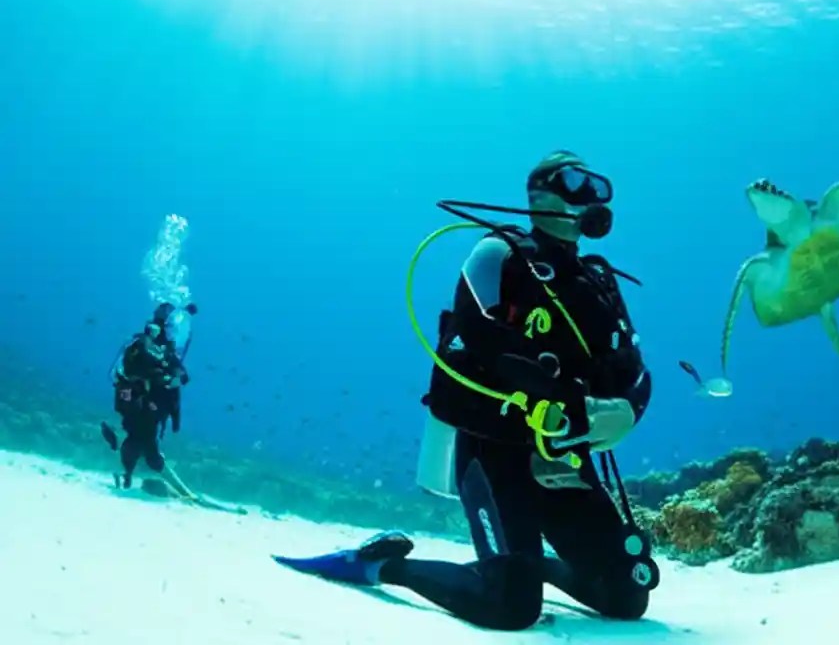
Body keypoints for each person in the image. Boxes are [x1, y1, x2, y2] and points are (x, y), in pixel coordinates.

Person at [273, 151, 657, 631]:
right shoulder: (498, 254)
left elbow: (634, 367)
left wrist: (628, 409)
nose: (591, 197)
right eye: (575, 181)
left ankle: (526, 565)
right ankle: (382, 564)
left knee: (625, 596)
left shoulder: (596, 281)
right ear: (539, 196)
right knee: (510, 606)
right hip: (494, 448)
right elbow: (484, 340)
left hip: (561, 457)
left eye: (596, 186)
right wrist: (570, 402)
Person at [101, 302, 196, 489]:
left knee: (140, 440)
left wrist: (173, 379)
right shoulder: (145, 345)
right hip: (141, 403)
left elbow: (179, 376)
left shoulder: (159, 348)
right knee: (145, 445)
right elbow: (141, 369)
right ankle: (131, 474)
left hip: (144, 404)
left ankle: (126, 473)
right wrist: (166, 378)